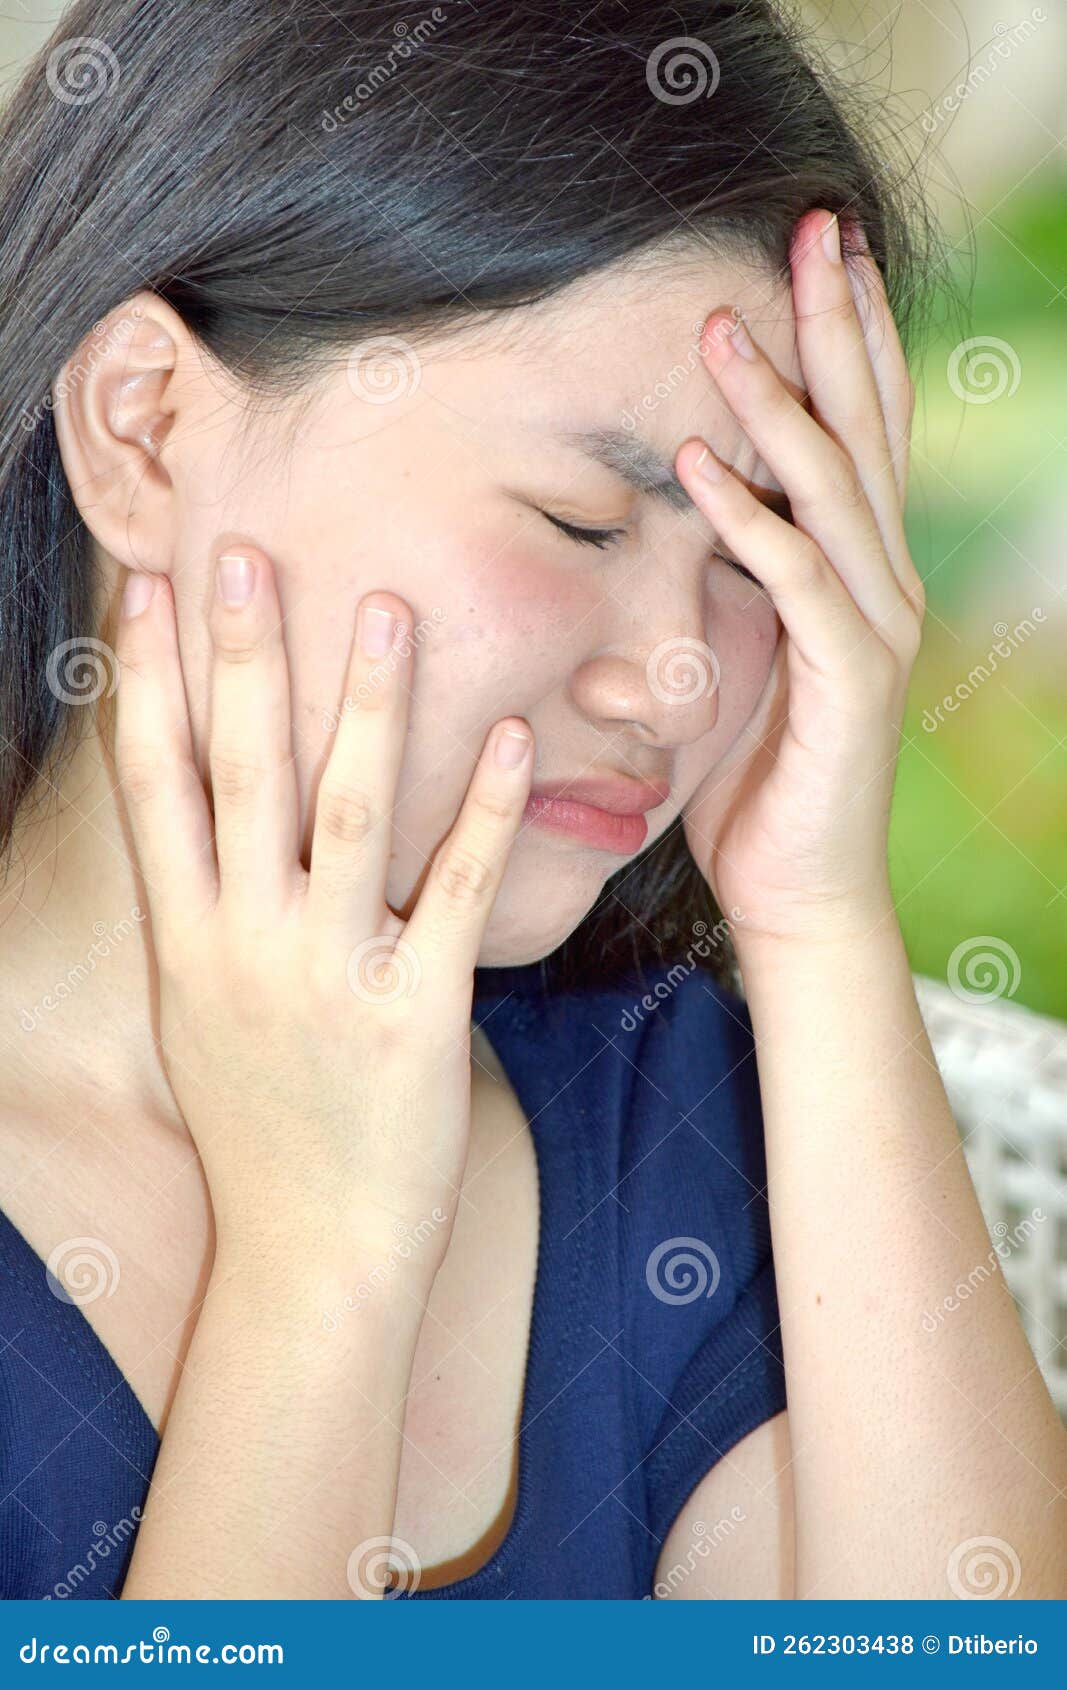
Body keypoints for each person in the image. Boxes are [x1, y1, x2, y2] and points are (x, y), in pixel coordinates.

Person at [0, 0, 1063, 1601]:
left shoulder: (671, 1126)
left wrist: (816, 915)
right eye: (581, 521)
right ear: (144, 428)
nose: (684, 679)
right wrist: (318, 1269)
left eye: (758, 558)